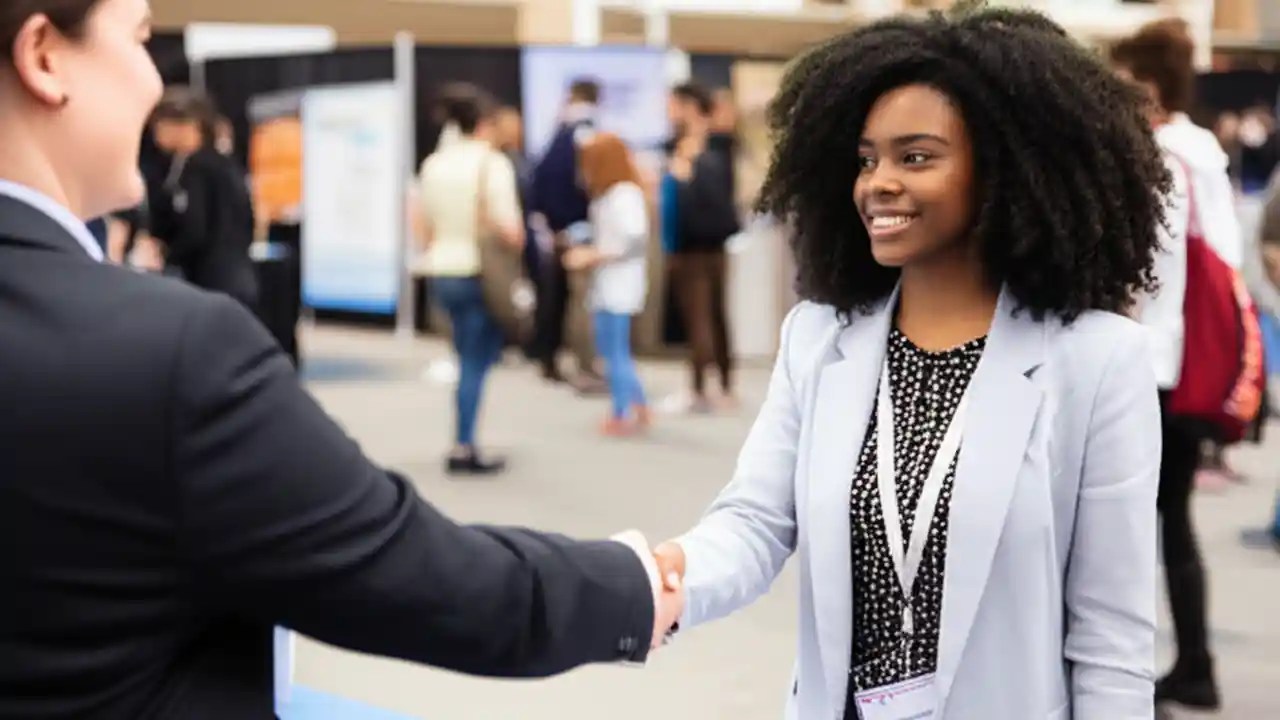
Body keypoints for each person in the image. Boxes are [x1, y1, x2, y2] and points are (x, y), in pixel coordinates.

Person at [0, 3, 681, 717]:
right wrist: (631, 582)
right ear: (44, 56)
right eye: (141, 40)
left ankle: (465, 432)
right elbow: (413, 575)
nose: (150, 81)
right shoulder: (172, 351)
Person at [649, 7, 1169, 719]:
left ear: (1004, 170)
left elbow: (1112, 642)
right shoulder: (819, 337)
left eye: (915, 157)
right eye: (867, 160)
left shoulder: (1097, 361)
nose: (878, 183)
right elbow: (755, 521)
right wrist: (664, 576)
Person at [1112, 20, 1244, 710]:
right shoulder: (1205, 151)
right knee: (1172, 518)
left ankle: (1145, 677)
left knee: (1134, 524)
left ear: (1150, 86)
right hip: (1196, 363)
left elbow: (1148, 270)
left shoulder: (1164, 155)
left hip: (1158, 364)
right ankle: (1194, 664)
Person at [414, 84, 525, 475]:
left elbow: (422, 228)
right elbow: (512, 231)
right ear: (484, 123)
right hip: (479, 270)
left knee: (463, 356)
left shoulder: (433, 165)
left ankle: (462, 436)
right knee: (476, 362)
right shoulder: (491, 165)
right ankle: (464, 442)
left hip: (442, 270)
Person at [564, 133, 652, 436]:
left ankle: (623, 410)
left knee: (615, 351)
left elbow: (632, 238)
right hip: (607, 283)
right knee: (610, 348)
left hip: (619, 282)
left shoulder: (625, 195)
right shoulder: (608, 196)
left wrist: (593, 255)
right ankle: (637, 404)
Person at [665, 81, 740, 412]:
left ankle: (702, 388)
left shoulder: (706, 149)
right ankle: (719, 385)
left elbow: (710, 197)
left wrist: (685, 175)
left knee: (703, 317)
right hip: (701, 246)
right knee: (710, 315)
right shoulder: (692, 145)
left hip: (699, 247)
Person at [148, 87, 259, 310]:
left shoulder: (196, 167)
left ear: (186, 125)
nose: (156, 136)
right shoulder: (226, 164)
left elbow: (194, 228)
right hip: (240, 278)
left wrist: (168, 256)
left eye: (160, 126)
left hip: (211, 282)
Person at [530, 78, 604, 389]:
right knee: (579, 301)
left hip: (556, 228)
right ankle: (583, 365)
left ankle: (549, 358)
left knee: (556, 299)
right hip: (577, 229)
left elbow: (540, 181)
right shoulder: (586, 132)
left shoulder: (559, 133)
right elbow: (587, 182)